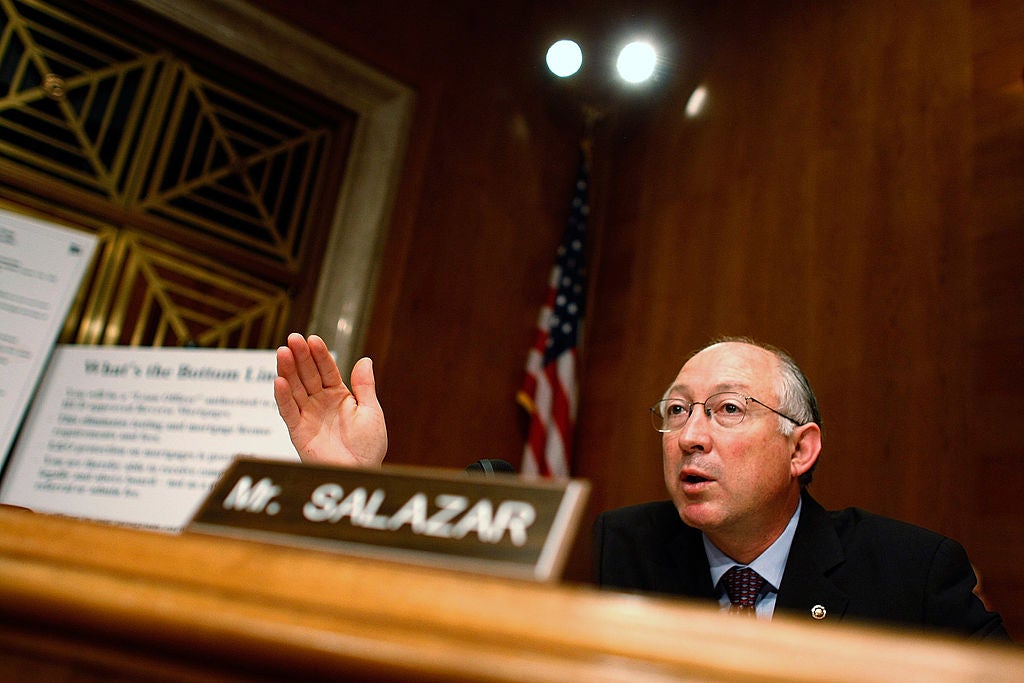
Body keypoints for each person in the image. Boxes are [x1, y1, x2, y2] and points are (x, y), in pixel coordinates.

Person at [274, 332, 1009, 640]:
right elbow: (437, 617)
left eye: (727, 409)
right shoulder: (608, 549)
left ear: (801, 447)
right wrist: (351, 488)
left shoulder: (911, 574)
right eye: (677, 411)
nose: (691, 434)